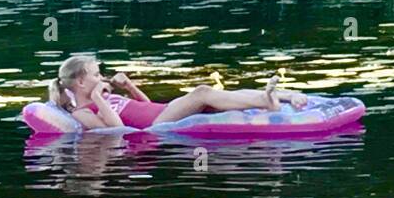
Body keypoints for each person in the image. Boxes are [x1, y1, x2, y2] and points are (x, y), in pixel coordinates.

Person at [49, 53, 306, 130]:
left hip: (161, 111)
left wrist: (129, 87)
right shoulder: (84, 112)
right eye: (95, 74)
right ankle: (267, 100)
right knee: (203, 91)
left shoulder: (103, 97)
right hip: (156, 125)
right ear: (80, 83)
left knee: (214, 100)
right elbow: (117, 131)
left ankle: (278, 96)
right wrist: (97, 99)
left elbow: (145, 104)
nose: (101, 77)